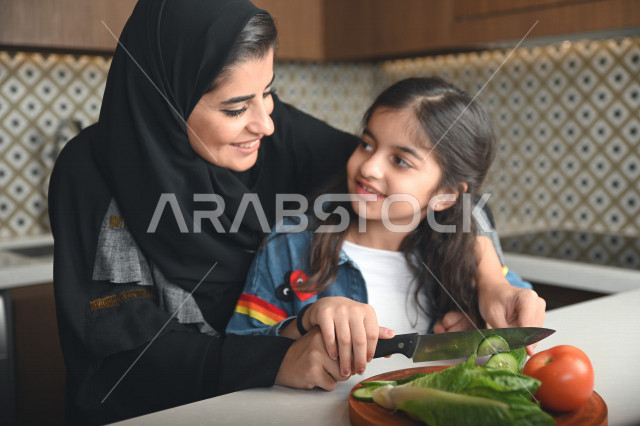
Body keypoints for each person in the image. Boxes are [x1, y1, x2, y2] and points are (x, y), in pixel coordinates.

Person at [226, 77, 547, 378]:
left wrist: (486, 322)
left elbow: (513, 313)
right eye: (367, 144)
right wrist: (303, 326)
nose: (369, 166)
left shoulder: (465, 254)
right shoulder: (291, 245)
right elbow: (238, 350)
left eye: (400, 161)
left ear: (446, 195)